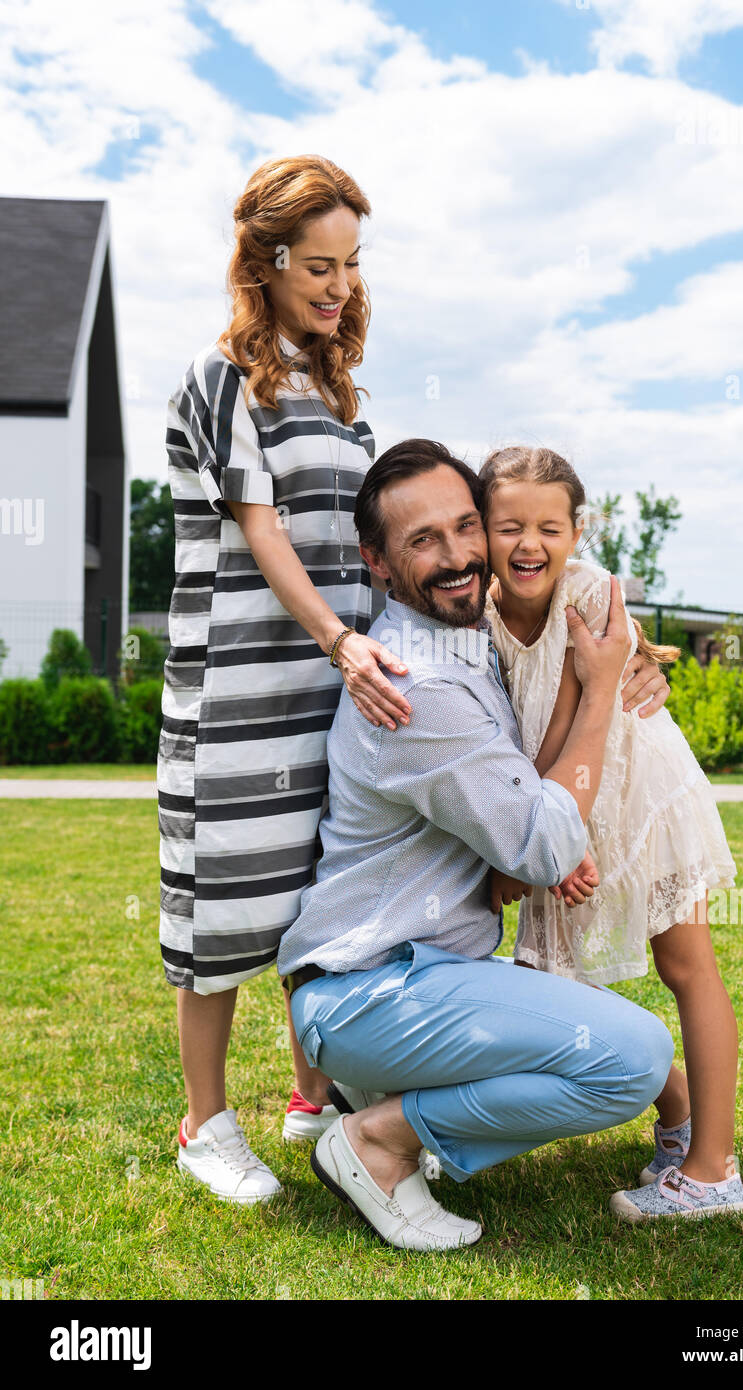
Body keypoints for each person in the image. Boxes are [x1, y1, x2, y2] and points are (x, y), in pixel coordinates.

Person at [276, 439, 675, 1251]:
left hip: (406, 977)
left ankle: (374, 1103)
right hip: (368, 994)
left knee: (625, 1049)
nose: (459, 556)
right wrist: (601, 688)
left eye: (466, 527)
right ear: (377, 562)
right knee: (633, 1059)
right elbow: (543, 844)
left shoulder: (458, 640)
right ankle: (378, 1139)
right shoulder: (417, 687)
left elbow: (525, 811)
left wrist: (641, 673)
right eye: (423, 540)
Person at [158, 155, 408, 1203]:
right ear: (263, 261)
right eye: (317, 264)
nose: (338, 285)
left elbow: (368, 544)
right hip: (236, 704)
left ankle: (315, 1099)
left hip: (328, 704)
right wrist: (342, 644)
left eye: (349, 265)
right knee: (221, 923)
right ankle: (205, 1122)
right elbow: (263, 533)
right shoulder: (221, 380)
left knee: (319, 908)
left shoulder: (340, 393)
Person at [481, 445, 743, 1221]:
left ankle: (710, 1171)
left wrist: (561, 836)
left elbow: (572, 718)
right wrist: (553, 835)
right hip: (554, 795)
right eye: (509, 526)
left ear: (576, 530)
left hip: (636, 791)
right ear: (484, 529)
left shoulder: (592, 592)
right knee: (552, 976)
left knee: (687, 963)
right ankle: (680, 1116)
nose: (529, 543)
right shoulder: (475, 608)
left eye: (548, 527)